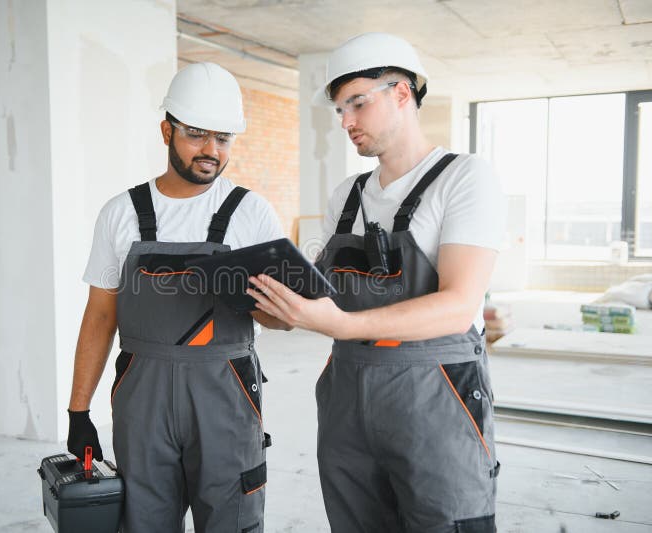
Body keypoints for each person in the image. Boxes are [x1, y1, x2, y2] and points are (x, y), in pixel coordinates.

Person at [248, 33, 505, 533]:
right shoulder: (347, 196)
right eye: (340, 109)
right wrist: (269, 304)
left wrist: (340, 324)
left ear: (402, 93)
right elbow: (314, 296)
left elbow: (457, 305)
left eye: (357, 104)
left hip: (435, 397)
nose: (346, 122)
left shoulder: (465, 178)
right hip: (347, 397)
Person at [66, 62, 289, 533]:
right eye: (196, 134)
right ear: (166, 130)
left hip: (225, 390)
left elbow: (284, 320)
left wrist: (266, 300)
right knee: (142, 521)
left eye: (224, 138)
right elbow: (100, 315)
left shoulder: (251, 212)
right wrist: (78, 410)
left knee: (231, 517)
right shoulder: (121, 213)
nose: (211, 151)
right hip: (142, 392)